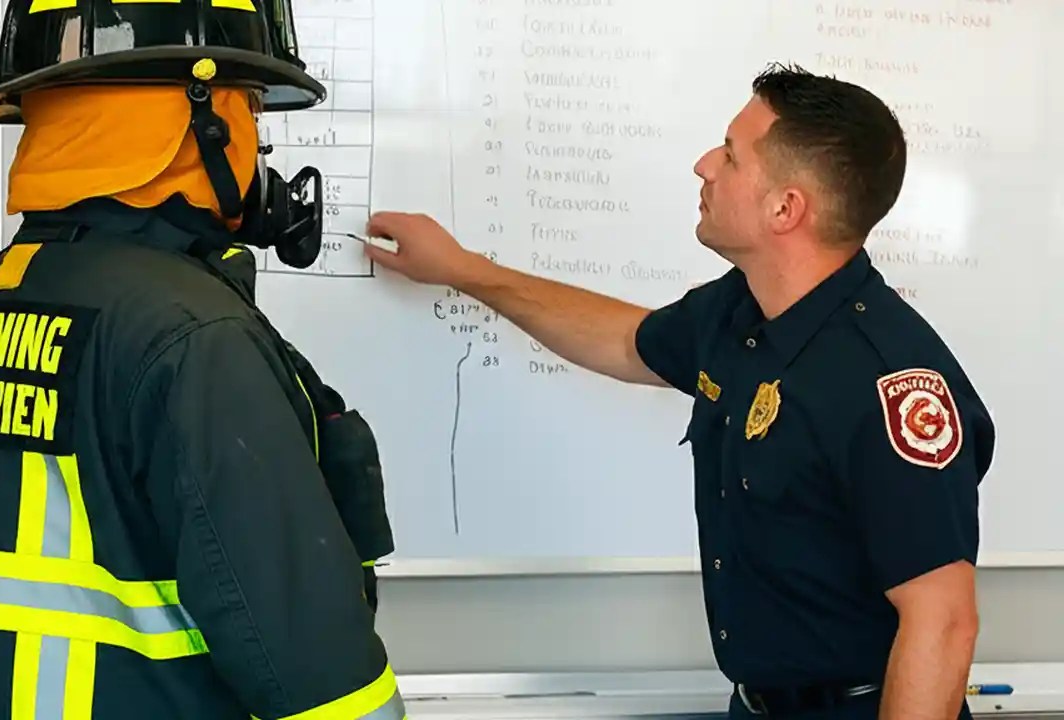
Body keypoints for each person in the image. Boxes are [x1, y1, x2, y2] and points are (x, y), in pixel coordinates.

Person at [364, 63, 991, 719]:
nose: (703, 166)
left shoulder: (891, 384)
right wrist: (461, 269)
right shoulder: (739, 312)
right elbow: (624, 340)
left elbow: (942, 621)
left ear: (786, 207)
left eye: (729, 155)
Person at [0, 0, 401, 717]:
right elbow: (317, 672)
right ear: (200, 122)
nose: (258, 149)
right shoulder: (191, 335)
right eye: (249, 108)